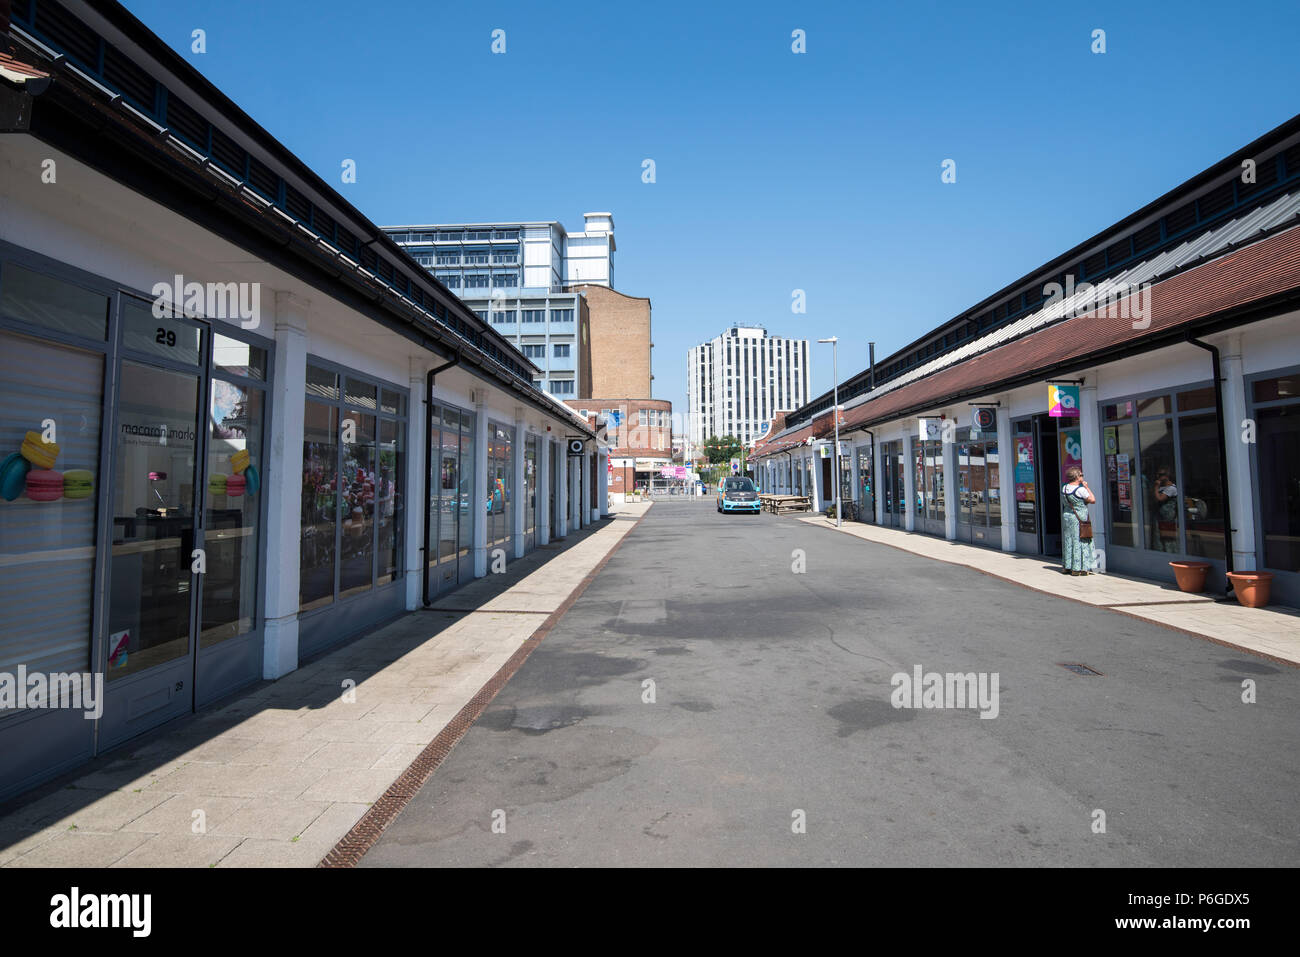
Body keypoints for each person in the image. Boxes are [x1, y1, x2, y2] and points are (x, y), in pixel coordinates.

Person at [1061, 466, 1096, 576]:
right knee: (1081, 539)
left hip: (1068, 516)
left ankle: (1068, 566)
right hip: (1080, 517)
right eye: (1081, 475)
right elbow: (1092, 500)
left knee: (1069, 539)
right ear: (1077, 477)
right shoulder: (1080, 490)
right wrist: (1087, 487)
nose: (1082, 476)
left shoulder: (1065, 488)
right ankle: (1079, 568)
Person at [1153, 467, 1180, 552]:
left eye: (1161, 475)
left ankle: (1171, 553)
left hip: (1168, 517)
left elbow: (1160, 498)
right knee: (1160, 537)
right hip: (1160, 516)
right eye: (1157, 475)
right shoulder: (1162, 488)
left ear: (1167, 476)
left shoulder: (1171, 488)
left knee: (1168, 538)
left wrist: (1156, 487)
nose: (1158, 477)